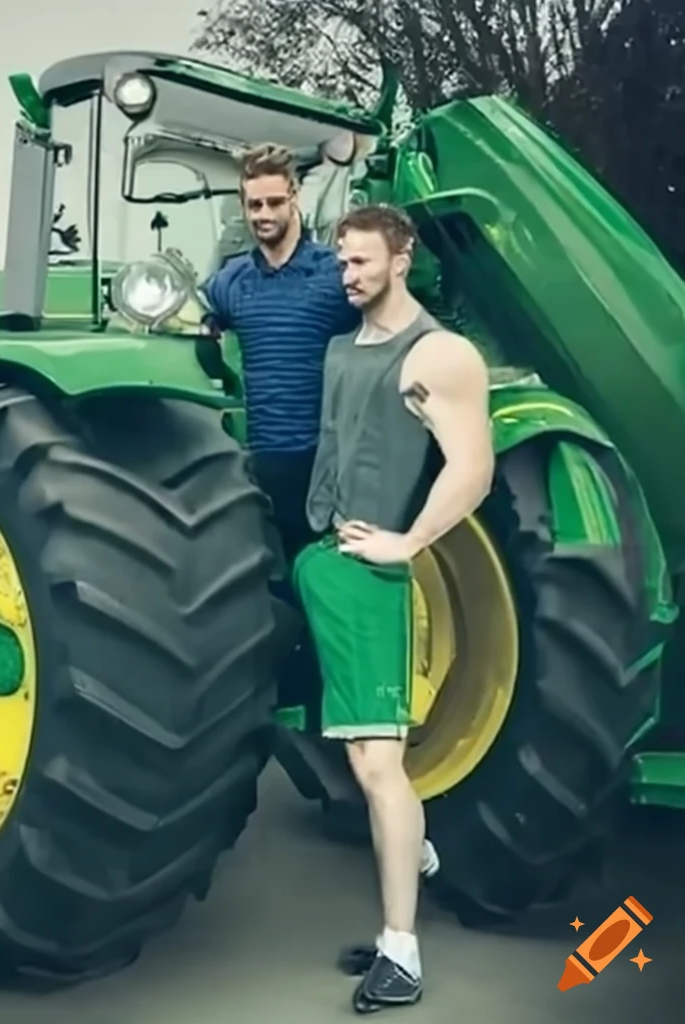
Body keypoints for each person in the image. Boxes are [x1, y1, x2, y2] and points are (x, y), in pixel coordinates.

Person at [293, 203, 495, 1014]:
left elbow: (471, 469)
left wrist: (407, 544)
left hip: (373, 580)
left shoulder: (437, 354)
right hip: (327, 568)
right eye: (341, 262)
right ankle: (418, 858)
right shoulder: (347, 348)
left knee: (382, 768)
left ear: (402, 258)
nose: (348, 275)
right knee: (358, 760)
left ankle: (402, 955)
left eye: (362, 261)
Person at [201, 143, 361, 565]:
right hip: (261, 462)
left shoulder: (335, 272)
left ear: (294, 198)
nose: (264, 215)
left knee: (328, 573)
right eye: (254, 205)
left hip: (328, 461)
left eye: (274, 202)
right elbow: (196, 315)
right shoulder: (232, 280)